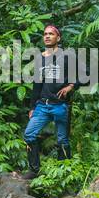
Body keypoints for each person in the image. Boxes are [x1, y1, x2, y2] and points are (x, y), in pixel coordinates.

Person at [23, 23, 75, 179]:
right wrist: (32, 106)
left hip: (60, 106)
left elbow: (84, 73)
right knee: (29, 135)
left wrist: (71, 86)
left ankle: (63, 173)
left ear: (58, 38)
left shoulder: (67, 56)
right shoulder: (40, 59)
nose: (47, 36)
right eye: (45, 34)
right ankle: (34, 170)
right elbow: (37, 84)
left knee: (62, 140)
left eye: (51, 34)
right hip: (43, 106)